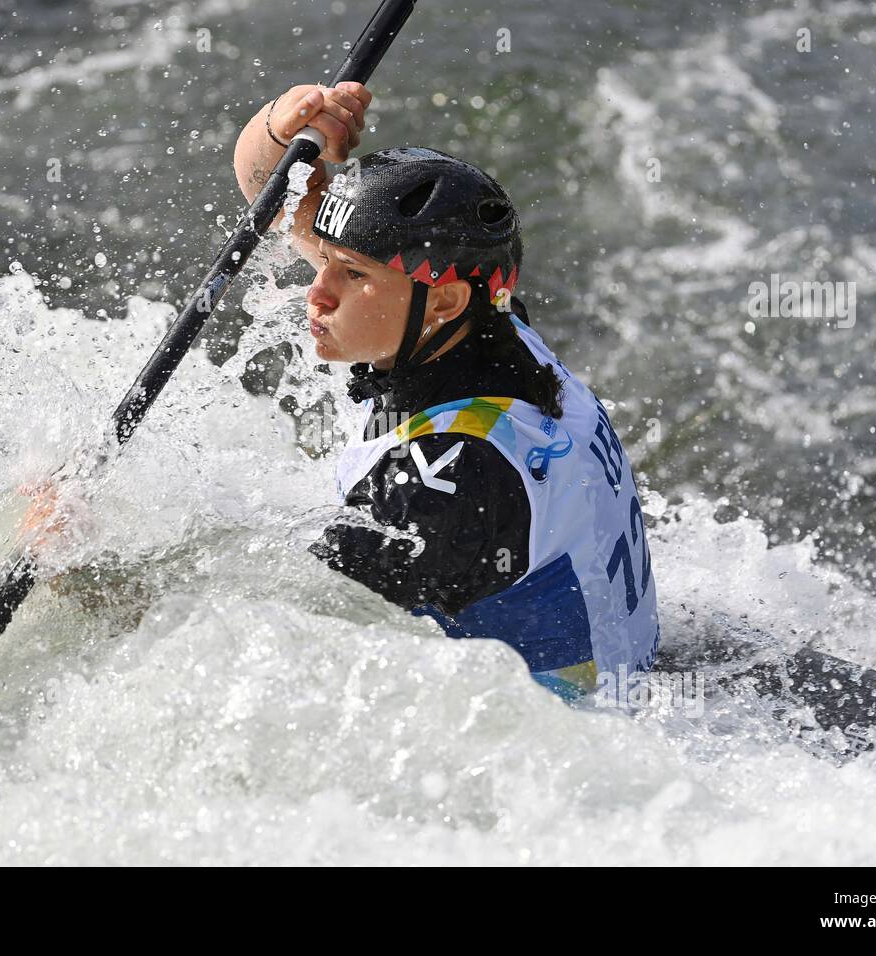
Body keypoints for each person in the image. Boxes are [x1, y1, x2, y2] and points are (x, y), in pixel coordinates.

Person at [233, 83, 660, 700]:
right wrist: (283, 132)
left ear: (447, 300)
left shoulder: (452, 484)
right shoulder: (493, 328)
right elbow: (277, 203)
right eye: (325, 259)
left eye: (352, 274)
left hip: (562, 750)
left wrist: (83, 565)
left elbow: (243, 624)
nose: (317, 292)